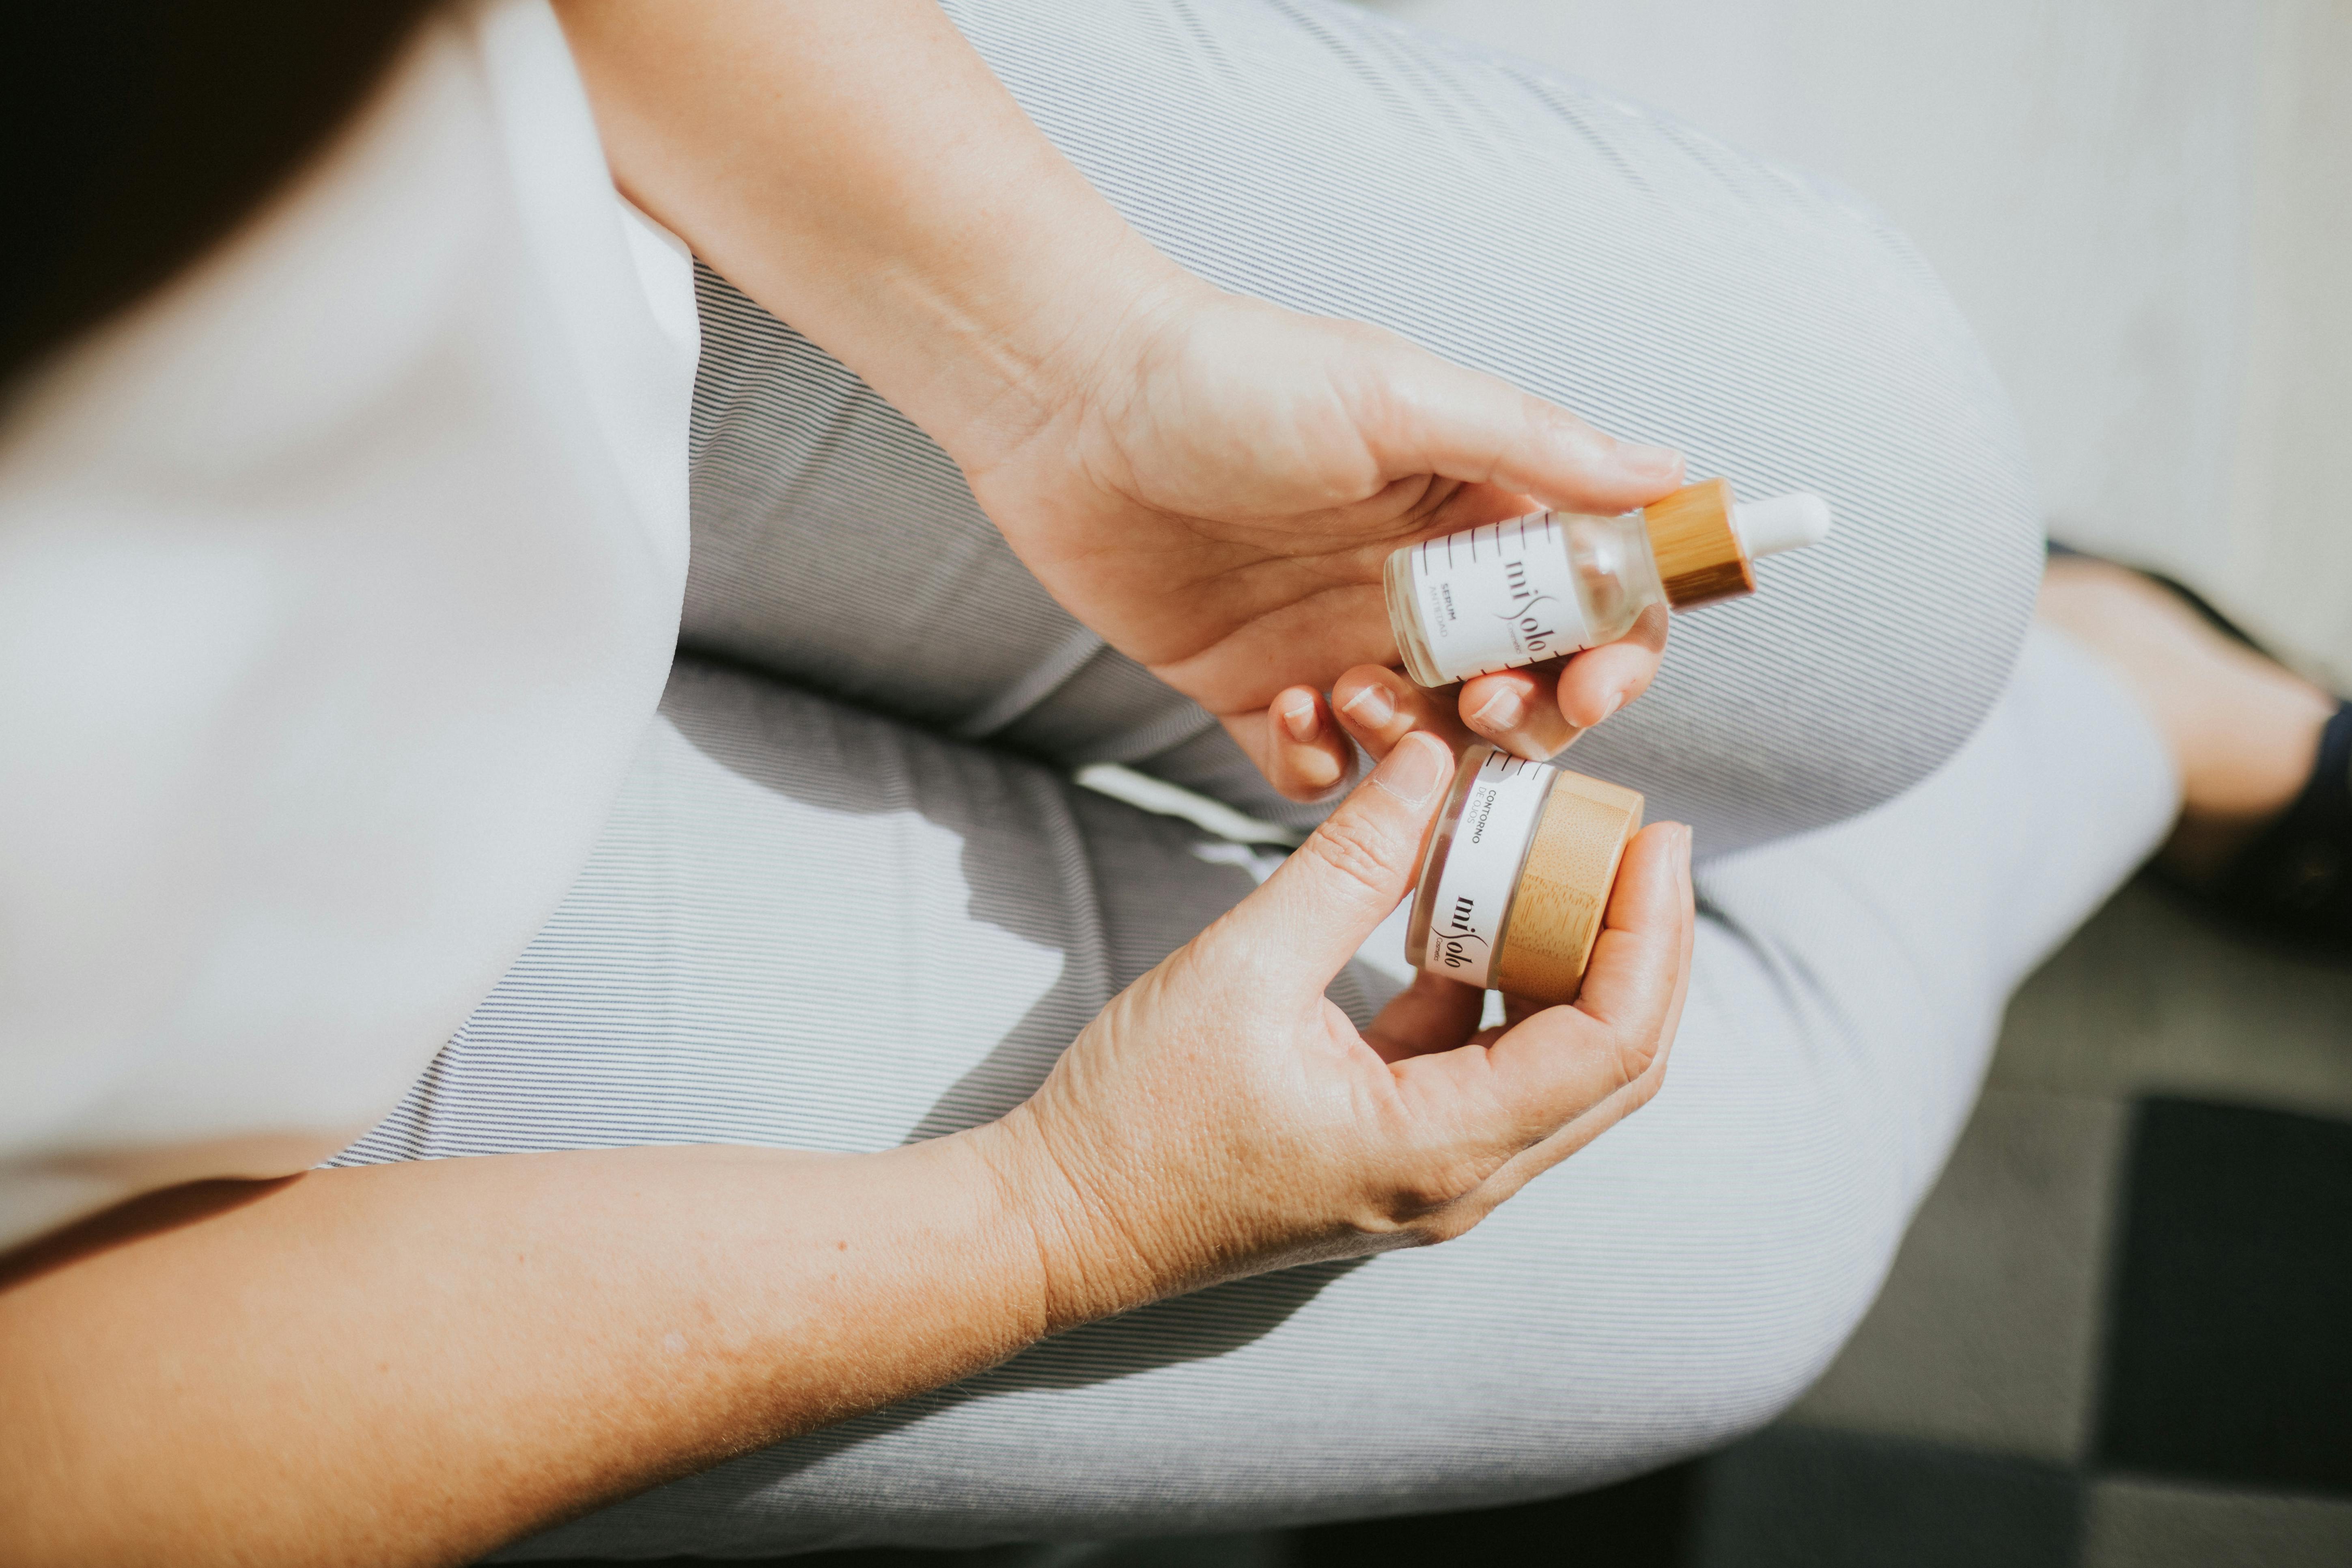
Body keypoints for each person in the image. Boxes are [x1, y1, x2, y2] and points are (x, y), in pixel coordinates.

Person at [2, 1, 2339, 1563]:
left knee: (1891, 541)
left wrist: (1076, 362)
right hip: (226, 1119)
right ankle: (2132, 712)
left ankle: (2036, 665)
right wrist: (1050, 1225)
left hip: (559, 202)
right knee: (1741, 1220)